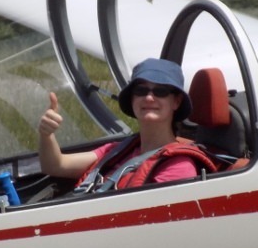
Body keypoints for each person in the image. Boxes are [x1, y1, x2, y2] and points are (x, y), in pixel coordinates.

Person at [38, 58, 209, 191]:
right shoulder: (117, 150)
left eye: (161, 91)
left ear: (176, 102)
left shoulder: (178, 166)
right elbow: (55, 165)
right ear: (132, 99)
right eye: (141, 90)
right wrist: (46, 135)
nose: (149, 98)